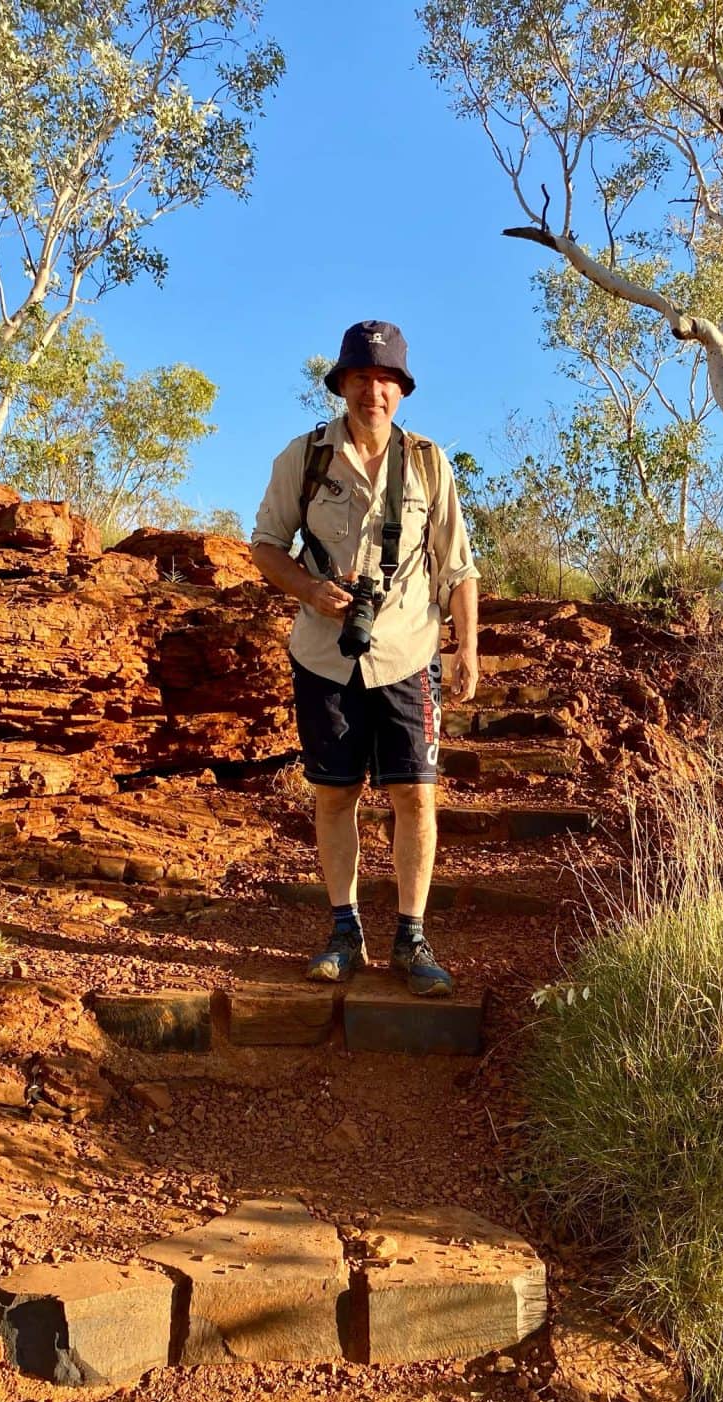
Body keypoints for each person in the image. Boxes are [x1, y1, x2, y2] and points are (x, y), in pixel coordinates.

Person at [250, 320, 479, 997]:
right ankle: (343, 930)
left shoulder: (431, 461)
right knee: (335, 793)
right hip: (323, 654)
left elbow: (458, 566)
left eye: (385, 380)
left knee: (415, 794)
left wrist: (467, 646)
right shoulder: (306, 457)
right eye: (360, 378)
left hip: (409, 649)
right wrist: (307, 588)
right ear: (342, 384)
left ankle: (411, 937)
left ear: (401, 390)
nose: (372, 392)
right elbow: (265, 545)